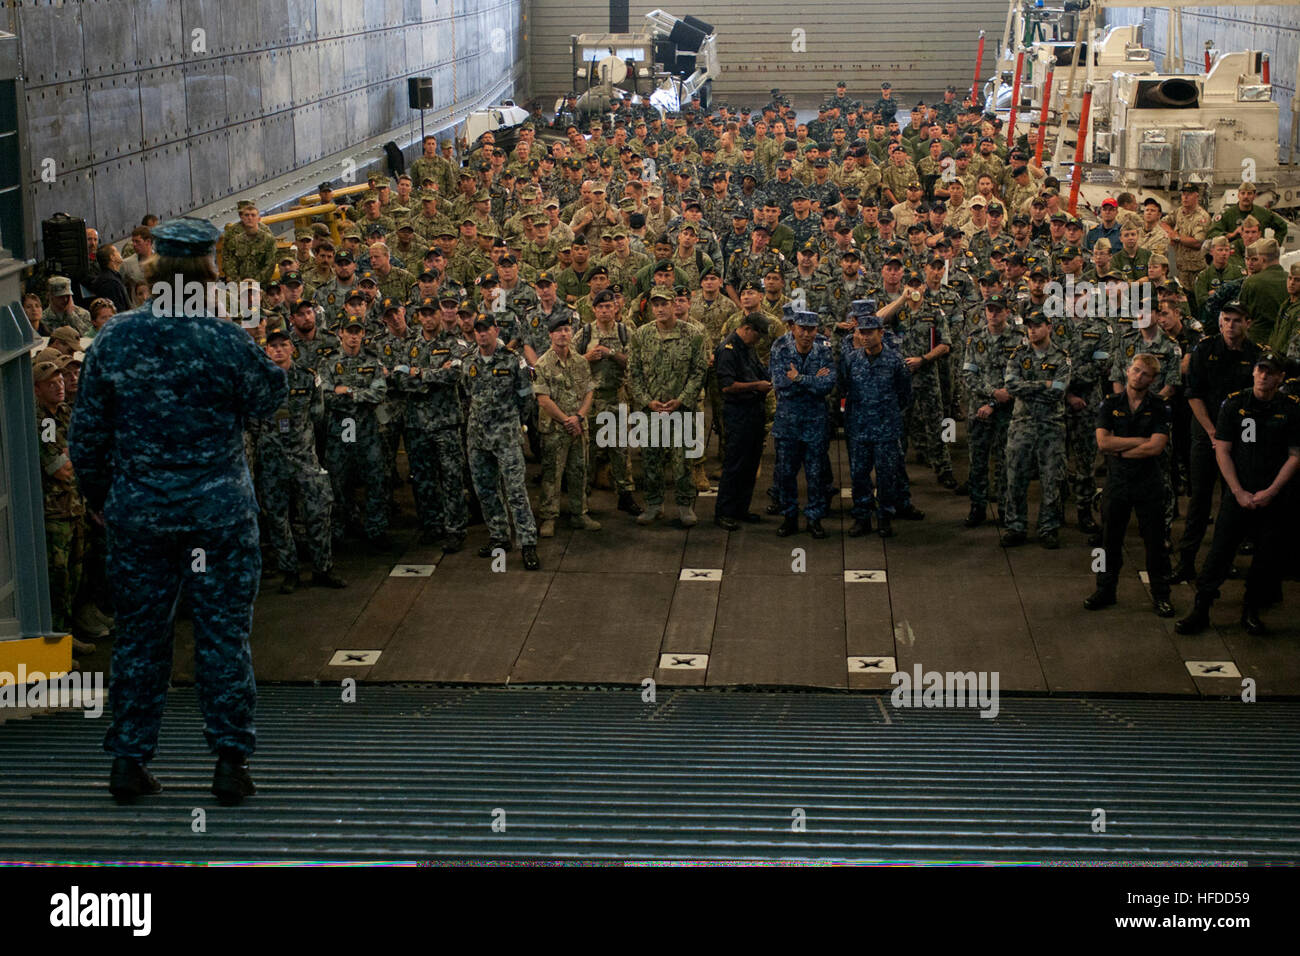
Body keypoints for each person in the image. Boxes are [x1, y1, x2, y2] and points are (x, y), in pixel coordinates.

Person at [69, 217, 287, 806]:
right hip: (218, 517)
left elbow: (85, 436)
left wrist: (104, 500)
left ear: (155, 269)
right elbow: (270, 397)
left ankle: (128, 762)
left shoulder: (114, 339)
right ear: (211, 272)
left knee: (139, 639)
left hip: (140, 517)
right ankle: (230, 766)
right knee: (223, 637)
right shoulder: (225, 340)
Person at [1176, 350, 1299, 635]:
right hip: (1238, 491)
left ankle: (1251, 610)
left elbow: (1295, 455)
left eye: (1270, 372)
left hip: (1273, 494)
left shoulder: (1291, 409)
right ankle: (1201, 608)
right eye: (1260, 369)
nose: (1263, 375)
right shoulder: (1234, 404)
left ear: (1281, 377)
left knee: (1265, 557)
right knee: (1219, 552)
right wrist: (1236, 490)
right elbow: (1223, 449)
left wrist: (1271, 491)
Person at [1170, 302, 1261, 583]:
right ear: (1219, 322)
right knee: (1199, 500)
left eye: (1236, 320)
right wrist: (1211, 433)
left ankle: (1224, 560)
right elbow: (1193, 394)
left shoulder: (1256, 355)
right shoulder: (1205, 350)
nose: (1230, 326)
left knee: (1233, 500)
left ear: (1247, 323)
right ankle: (1186, 563)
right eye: (1226, 320)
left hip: (1242, 437)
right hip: (1206, 430)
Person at [253, 325, 347, 594]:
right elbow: (252, 419)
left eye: (283, 345)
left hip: (305, 457)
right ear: (266, 350)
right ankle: (289, 571)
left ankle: (323, 567)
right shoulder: (259, 382)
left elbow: (318, 415)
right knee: (277, 517)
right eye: (273, 346)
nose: (279, 350)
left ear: (292, 348)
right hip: (272, 460)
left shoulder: (308, 378)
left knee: (318, 511)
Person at [1085, 354, 1174, 616]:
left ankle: (1161, 595)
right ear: (1127, 370)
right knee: (1107, 542)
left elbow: (1156, 447)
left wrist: (1121, 447)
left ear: (1154, 379)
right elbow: (1103, 443)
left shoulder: (1159, 406)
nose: (1138, 376)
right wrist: (1139, 441)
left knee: (1156, 544)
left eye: (1145, 374)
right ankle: (1104, 589)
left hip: (1149, 483)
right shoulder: (1110, 403)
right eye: (1135, 370)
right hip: (1118, 482)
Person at [462, 312, 540, 569]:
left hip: (506, 435)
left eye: (486, 329)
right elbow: (466, 394)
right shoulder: (467, 361)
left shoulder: (512, 360)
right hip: (478, 438)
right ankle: (499, 536)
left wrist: (518, 423)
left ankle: (528, 542)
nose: (482, 333)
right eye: (478, 329)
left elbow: (526, 397)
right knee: (485, 490)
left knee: (516, 491)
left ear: (496, 330)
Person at [628, 288, 709, 527]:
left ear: (675, 305)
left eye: (665, 304)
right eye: (656, 305)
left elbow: (699, 371)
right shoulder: (641, 335)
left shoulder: (693, 334)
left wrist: (682, 399)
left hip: (681, 410)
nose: (660, 309)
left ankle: (685, 506)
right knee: (651, 460)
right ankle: (654, 504)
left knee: (682, 460)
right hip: (651, 410)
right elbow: (633, 373)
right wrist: (646, 401)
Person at [1001, 308, 1072, 548]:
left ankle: (1048, 527)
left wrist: (1030, 386)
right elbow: (1011, 386)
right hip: (1022, 424)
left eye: (1038, 325)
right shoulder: (1018, 355)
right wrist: (1045, 384)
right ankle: (1015, 526)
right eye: (1029, 326)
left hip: (1051, 426)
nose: (1032, 330)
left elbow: (1059, 391)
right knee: (1015, 476)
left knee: (1052, 479)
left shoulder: (1062, 357)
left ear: (1049, 328)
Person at [840, 306, 911, 538]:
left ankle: (885, 517)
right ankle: (862, 516)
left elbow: (905, 394)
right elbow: (843, 389)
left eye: (871, 332)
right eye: (862, 332)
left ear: (881, 333)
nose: (865, 336)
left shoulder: (895, 361)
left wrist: (888, 413)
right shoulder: (851, 360)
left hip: (886, 428)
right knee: (859, 475)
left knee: (886, 475)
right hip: (858, 427)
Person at [534, 313, 600, 537]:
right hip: (555, 429)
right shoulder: (542, 364)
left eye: (566, 330)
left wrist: (579, 417)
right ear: (550, 334)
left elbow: (589, 391)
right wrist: (566, 420)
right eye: (558, 330)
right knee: (552, 475)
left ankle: (579, 513)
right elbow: (543, 399)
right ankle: (549, 517)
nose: (563, 334)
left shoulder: (581, 362)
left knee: (579, 472)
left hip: (579, 428)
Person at [771, 310, 836, 537]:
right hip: (788, 423)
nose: (806, 334)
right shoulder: (781, 350)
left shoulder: (825, 352)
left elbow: (827, 386)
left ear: (816, 330)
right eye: (802, 329)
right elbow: (780, 383)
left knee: (815, 475)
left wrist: (799, 378)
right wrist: (813, 380)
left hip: (815, 423)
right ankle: (789, 517)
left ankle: (814, 518)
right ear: (793, 329)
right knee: (786, 474)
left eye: (811, 329)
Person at [713, 313, 772, 530]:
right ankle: (724, 512)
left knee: (750, 463)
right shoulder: (728, 349)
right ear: (748, 329)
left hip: (754, 410)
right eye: (758, 335)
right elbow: (727, 386)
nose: (759, 340)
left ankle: (741, 508)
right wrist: (757, 386)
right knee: (735, 464)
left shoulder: (748, 347)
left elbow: (758, 369)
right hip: (738, 411)